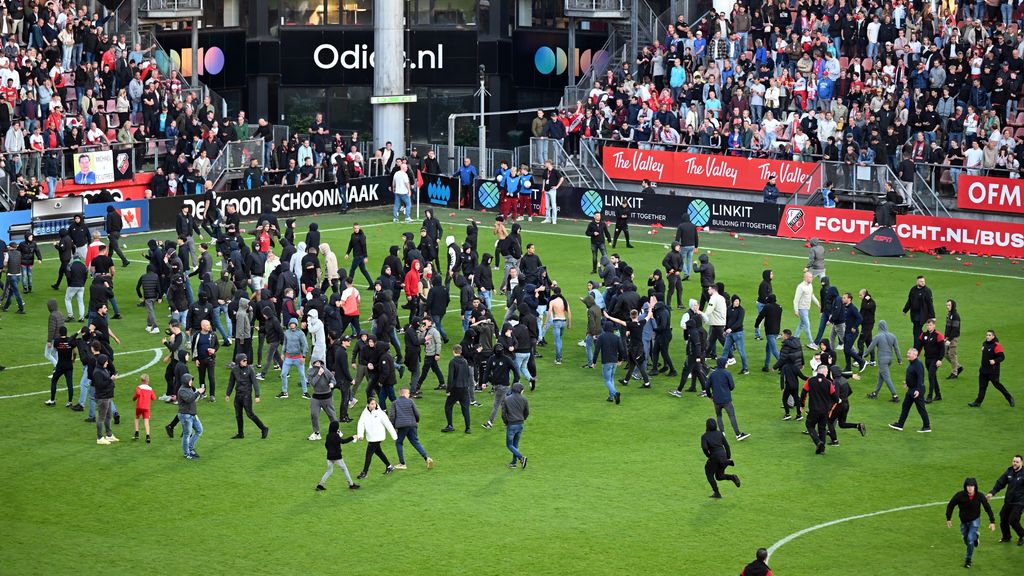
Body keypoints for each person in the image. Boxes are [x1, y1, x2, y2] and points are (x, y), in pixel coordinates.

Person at [946, 477, 996, 568]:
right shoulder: (959, 495)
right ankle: (976, 537)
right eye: (968, 486)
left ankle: (968, 560)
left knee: (969, 539)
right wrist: (948, 518)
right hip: (964, 521)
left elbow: (987, 507)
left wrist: (992, 521)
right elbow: (951, 505)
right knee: (966, 539)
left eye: (972, 486)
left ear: (975, 486)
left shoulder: (980, 496)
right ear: (965, 486)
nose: (970, 488)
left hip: (975, 520)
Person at [225, 353, 269, 439]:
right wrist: (228, 394)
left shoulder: (250, 369)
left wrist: (257, 395)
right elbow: (231, 383)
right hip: (238, 395)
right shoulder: (234, 370)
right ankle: (240, 433)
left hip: (246, 396)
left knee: (250, 414)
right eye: (243, 360)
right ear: (239, 361)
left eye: (246, 360)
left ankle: (264, 428)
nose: (246, 361)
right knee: (238, 415)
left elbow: (255, 383)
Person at [889, 348, 932, 433]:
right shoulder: (912, 363)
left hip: (916, 391)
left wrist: (918, 390)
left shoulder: (918, 364)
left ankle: (927, 426)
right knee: (905, 406)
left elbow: (920, 378)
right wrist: (907, 383)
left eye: (909, 353)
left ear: (915, 355)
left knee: (921, 409)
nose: (907, 354)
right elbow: (913, 376)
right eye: (908, 353)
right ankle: (900, 425)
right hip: (911, 389)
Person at [985, 455, 1024, 546]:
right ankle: (1006, 537)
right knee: (1003, 517)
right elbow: (1000, 483)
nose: (1014, 463)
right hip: (1009, 501)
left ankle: (1022, 535)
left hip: (1020, 502)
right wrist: (992, 493)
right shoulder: (1009, 472)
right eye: (1014, 461)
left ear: (1021, 463)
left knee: (1013, 520)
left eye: (1017, 462)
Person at [390, 387, 433, 469]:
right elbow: (417, 414)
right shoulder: (410, 401)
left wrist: (393, 427)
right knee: (415, 442)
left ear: (400, 394)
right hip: (412, 425)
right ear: (405, 394)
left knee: (399, 442)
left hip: (402, 426)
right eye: (408, 393)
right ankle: (427, 458)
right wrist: (416, 422)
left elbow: (392, 416)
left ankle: (402, 463)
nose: (409, 395)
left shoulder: (395, 403)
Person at [709, 358, 750, 441]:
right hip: (726, 399)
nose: (727, 364)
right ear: (723, 364)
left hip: (716, 400)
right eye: (726, 363)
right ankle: (738, 434)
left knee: (719, 416)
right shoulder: (727, 373)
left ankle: (722, 433)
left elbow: (707, 387)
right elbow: (732, 386)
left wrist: (710, 396)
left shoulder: (712, 374)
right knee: (732, 416)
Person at [800, 364, 839, 454]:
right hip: (825, 411)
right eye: (827, 372)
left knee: (810, 426)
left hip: (813, 410)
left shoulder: (810, 381)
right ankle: (822, 450)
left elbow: (803, 393)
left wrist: (802, 405)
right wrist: (838, 400)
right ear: (824, 372)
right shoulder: (829, 383)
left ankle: (818, 442)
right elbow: (835, 397)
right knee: (822, 428)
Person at [970, 330, 1015, 408]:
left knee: (998, 386)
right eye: (987, 335)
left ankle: (1009, 398)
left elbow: (1002, 357)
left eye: (989, 335)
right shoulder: (984, 344)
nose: (987, 336)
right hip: (983, 370)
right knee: (982, 387)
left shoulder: (996, 345)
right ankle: (978, 402)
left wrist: (994, 361)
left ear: (993, 336)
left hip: (993, 371)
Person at [355, 397, 397, 479]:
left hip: (378, 437)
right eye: (372, 404)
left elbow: (388, 424)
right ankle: (389, 466)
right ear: (368, 404)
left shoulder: (380, 413)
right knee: (378, 452)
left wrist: (394, 436)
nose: (374, 405)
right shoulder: (365, 413)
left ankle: (365, 472)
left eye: (374, 403)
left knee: (368, 455)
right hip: (371, 437)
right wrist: (360, 435)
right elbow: (361, 423)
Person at [700, 417, 741, 499]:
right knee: (719, 476)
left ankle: (717, 493)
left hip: (715, 457)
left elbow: (704, 448)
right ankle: (732, 476)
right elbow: (726, 445)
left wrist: (708, 456)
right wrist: (728, 456)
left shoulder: (704, 436)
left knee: (709, 474)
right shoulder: (719, 433)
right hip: (723, 455)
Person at [316, 420, 360, 491]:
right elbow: (343, 441)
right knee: (344, 469)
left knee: (329, 471)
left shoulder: (328, 436)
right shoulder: (336, 436)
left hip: (329, 456)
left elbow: (326, 445)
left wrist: (330, 450)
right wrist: (352, 437)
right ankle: (351, 484)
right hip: (337, 456)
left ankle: (320, 485)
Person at [827, 365, 866, 443]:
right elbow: (850, 391)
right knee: (842, 424)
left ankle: (834, 441)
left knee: (830, 421)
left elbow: (836, 397)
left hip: (839, 405)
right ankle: (857, 425)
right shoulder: (844, 379)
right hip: (846, 404)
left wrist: (829, 406)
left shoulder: (836, 382)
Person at [865, 320, 901, 402]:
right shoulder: (892, 336)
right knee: (881, 376)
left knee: (886, 378)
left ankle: (895, 395)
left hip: (882, 360)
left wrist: (864, 354)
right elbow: (896, 349)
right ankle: (875, 393)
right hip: (889, 359)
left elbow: (871, 347)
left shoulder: (878, 336)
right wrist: (899, 359)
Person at [442, 345, 472, 433]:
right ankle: (468, 428)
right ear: (461, 351)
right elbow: (468, 375)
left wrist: (448, 390)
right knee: (465, 408)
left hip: (455, 388)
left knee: (448, 407)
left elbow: (450, 378)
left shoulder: (452, 362)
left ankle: (450, 425)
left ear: (453, 351)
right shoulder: (465, 361)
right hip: (465, 388)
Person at [306, 358, 337, 441]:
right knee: (314, 414)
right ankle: (316, 433)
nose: (318, 364)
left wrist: (332, 383)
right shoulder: (310, 372)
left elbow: (332, 379)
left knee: (331, 415)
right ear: (313, 363)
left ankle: (337, 430)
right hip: (316, 397)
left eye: (319, 362)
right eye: (316, 362)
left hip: (327, 397)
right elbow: (312, 383)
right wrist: (319, 374)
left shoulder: (325, 370)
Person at [595, 320, 625, 404]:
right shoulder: (616, 337)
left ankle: (615, 393)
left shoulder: (601, 337)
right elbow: (621, 350)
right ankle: (611, 397)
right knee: (611, 379)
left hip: (606, 361)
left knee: (607, 380)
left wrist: (593, 362)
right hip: (614, 361)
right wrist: (620, 359)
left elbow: (597, 350)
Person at [277, 318, 309, 399]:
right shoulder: (286, 333)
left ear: (296, 324)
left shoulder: (300, 333)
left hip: (298, 358)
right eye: (290, 323)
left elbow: (305, 345)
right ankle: (284, 392)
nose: (292, 324)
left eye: (293, 323)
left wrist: (304, 356)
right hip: (288, 358)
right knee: (283, 374)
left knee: (302, 375)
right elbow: (284, 344)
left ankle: (305, 392)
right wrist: (282, 353)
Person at [92, 354, 119, 445]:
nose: (107, 363)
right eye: (106, 361)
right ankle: (99, 437)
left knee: (108, 416)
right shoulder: (97, 372)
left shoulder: (103, 369)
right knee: (101, 418)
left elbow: (106, 381)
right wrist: (111, 379)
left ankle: (109, 435)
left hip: (108, 396)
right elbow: (100, 385)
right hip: (102, 398)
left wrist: (111, 379)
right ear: (102, 362)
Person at [502, 381, 529, 469]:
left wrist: (506, 422)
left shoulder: (506, 399)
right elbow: (526, 412)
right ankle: (514, 463)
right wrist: (523, 419)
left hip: (511, 424)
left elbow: (503, 414)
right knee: (515, 444)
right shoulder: (524, 399)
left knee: (509, 445)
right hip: (520, 424)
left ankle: (521, 458)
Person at [177, 373, 204, 459]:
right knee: (187, 434)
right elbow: (189, 399)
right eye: (190, 380)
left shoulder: (189, 389)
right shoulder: (182, 391)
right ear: (186, 381)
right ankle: (187, 453)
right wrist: (197, 392)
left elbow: (193, 399)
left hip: (192, 414)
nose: (191, 381)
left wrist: (199, 394)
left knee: (199, 430)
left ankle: (190, 448)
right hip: (185, 415)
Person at [903, 275, 935, 347]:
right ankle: (923, 341)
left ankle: (916, 347)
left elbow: (930, 304)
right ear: (917, 282)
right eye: (921, 281)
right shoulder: (913, 289)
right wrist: (905, 310)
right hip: (914, 314)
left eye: (923, 281)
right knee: (918, 331)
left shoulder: (927, 291)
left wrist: (933, 316)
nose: (923, 283)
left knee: (916, 331)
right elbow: (909, 301)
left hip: (922, 314)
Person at [918, 319, 945, 403]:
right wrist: (916, 355)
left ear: (934, 326)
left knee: (930, 376)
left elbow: (942, 349)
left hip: (935, 359)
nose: (928, 327)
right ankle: (938, 395)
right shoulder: (923, 335)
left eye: (930, 325)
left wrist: (940, 360)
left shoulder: (938, 335)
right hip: (927, 359)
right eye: (927, 325)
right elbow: (919, 346)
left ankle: (929, 396)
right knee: (933, 376)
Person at [47, 326, 75, 407]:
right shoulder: (70, 340)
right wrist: (73, 359)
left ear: (59, 333)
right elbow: (75, 351)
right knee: (70, 384)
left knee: (54, 380)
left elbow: (55, 349)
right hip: (69, 365)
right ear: (66, 332)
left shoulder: (56, 341)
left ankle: (52, 400)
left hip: (60, 365)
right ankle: (69, 402)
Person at [792, 272, 819, 347]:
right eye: (810, 277)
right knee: (807, 325)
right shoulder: (800, 287)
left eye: (811, 277)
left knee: (801, 324)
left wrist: (818, 304)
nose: (812, 278)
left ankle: (795, 339)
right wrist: (796, 310)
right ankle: (811, 342)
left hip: (806, 308)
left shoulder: (810, 285)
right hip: (802, 308)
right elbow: (796, 299)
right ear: (805, 277)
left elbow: (812, 295)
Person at [131, 374, 156, 443]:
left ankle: (136, 432)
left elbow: (138, 394)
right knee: (146, 421)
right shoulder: (150, 389)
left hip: (139, 406)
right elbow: (154, 398)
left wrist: (134, 398)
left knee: (136, 418)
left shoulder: (139, 387)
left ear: (141, 380)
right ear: (148, 381)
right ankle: (147, 436)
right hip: (147, 407)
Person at [944, 299, 962, 380]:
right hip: (948, 337)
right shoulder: (949, 314)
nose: (947, 307)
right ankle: (958, 367)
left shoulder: (955, 315)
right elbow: (947, 327)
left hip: (953, 338)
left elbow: (955, 330)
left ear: (953, 305)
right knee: (944, 353)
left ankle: (954, 373)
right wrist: (945, 337)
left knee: (952, 354)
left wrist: (949, 339)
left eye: (949, 305)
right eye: (947, 305)